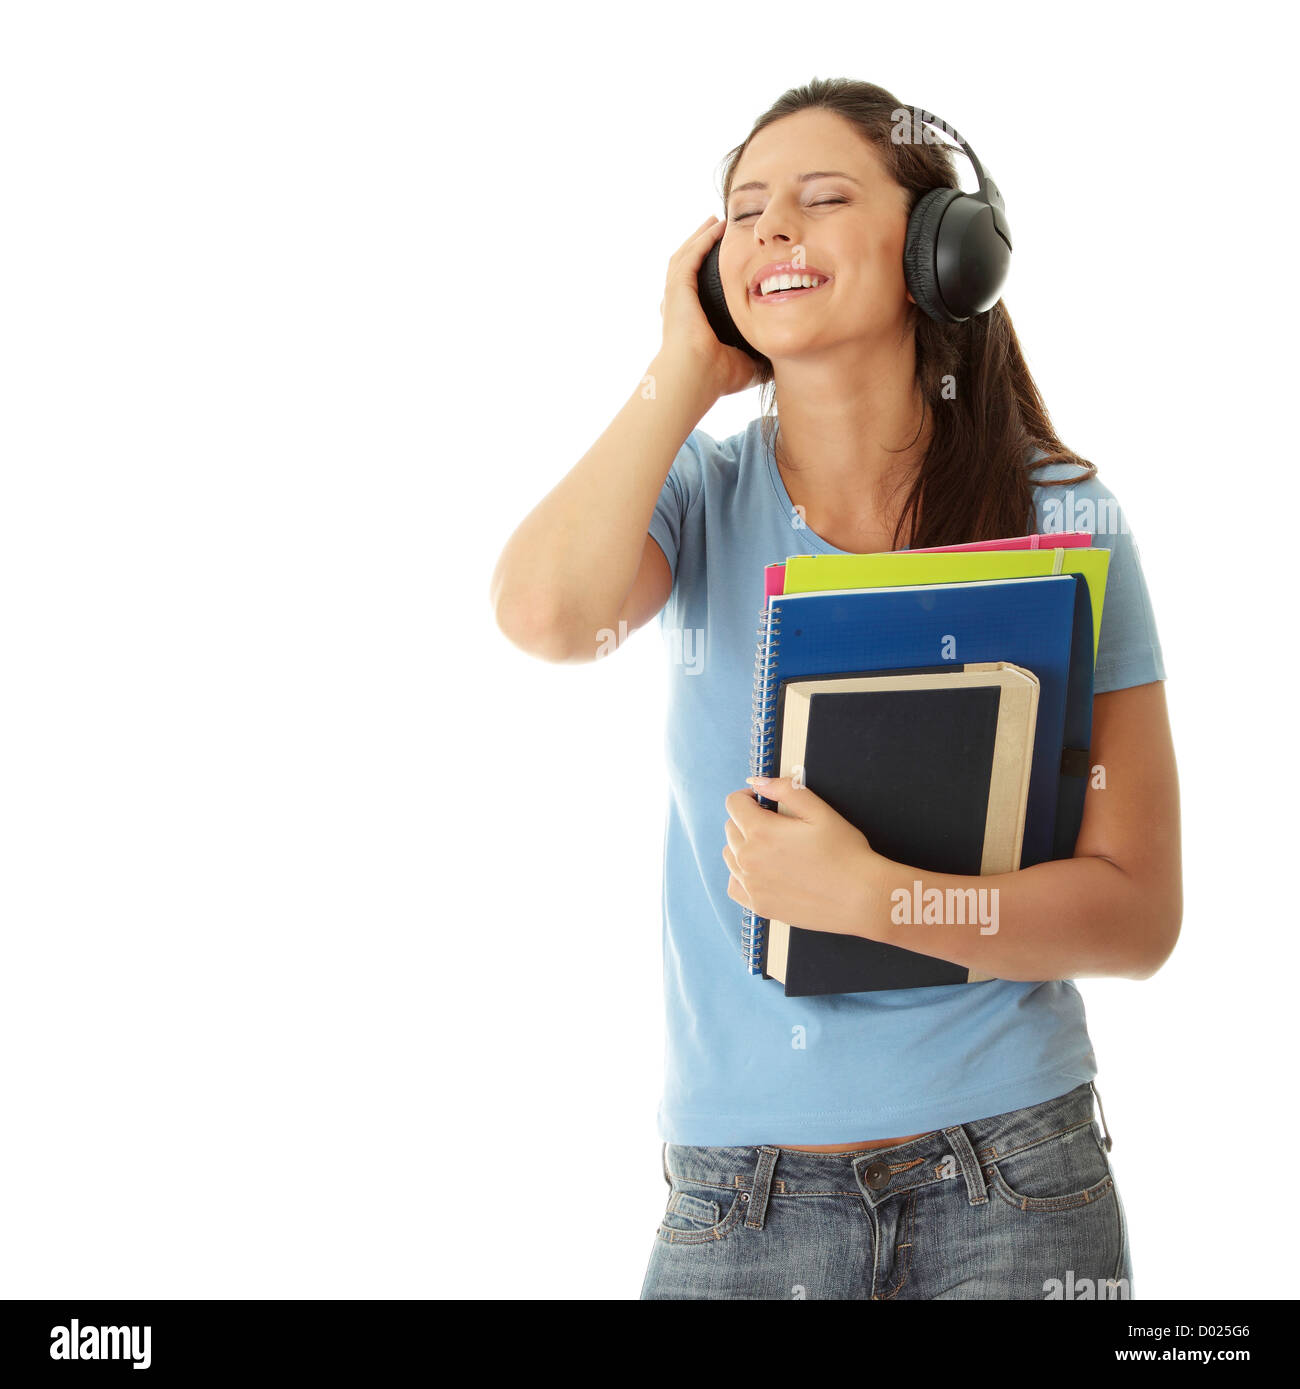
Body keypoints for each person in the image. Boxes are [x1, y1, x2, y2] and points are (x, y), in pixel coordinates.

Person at [489, 78, 1180, 1300]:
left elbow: (1135, 915)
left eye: (819, 198)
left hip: (1012, 1179)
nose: (768, 231)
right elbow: (544, 617)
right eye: (742, 211)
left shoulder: (1059, 510)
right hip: (735, 1195)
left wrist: (880, 900)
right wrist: (676, 375)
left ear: (939, 251)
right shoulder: (698, 496)